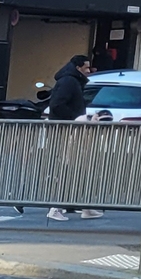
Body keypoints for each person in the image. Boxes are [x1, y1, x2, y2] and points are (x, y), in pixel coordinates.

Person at [44, 54, 101, 221]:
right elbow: (57, 105)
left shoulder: (72, 81)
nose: (89, 71)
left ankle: (83, 206)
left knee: (75, 168)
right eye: (86, 68)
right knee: (70, 169)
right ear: (78, 68)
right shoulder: (69, 82)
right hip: (67, 131)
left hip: (68, 130)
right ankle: (58, 207)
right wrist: (75, 120)